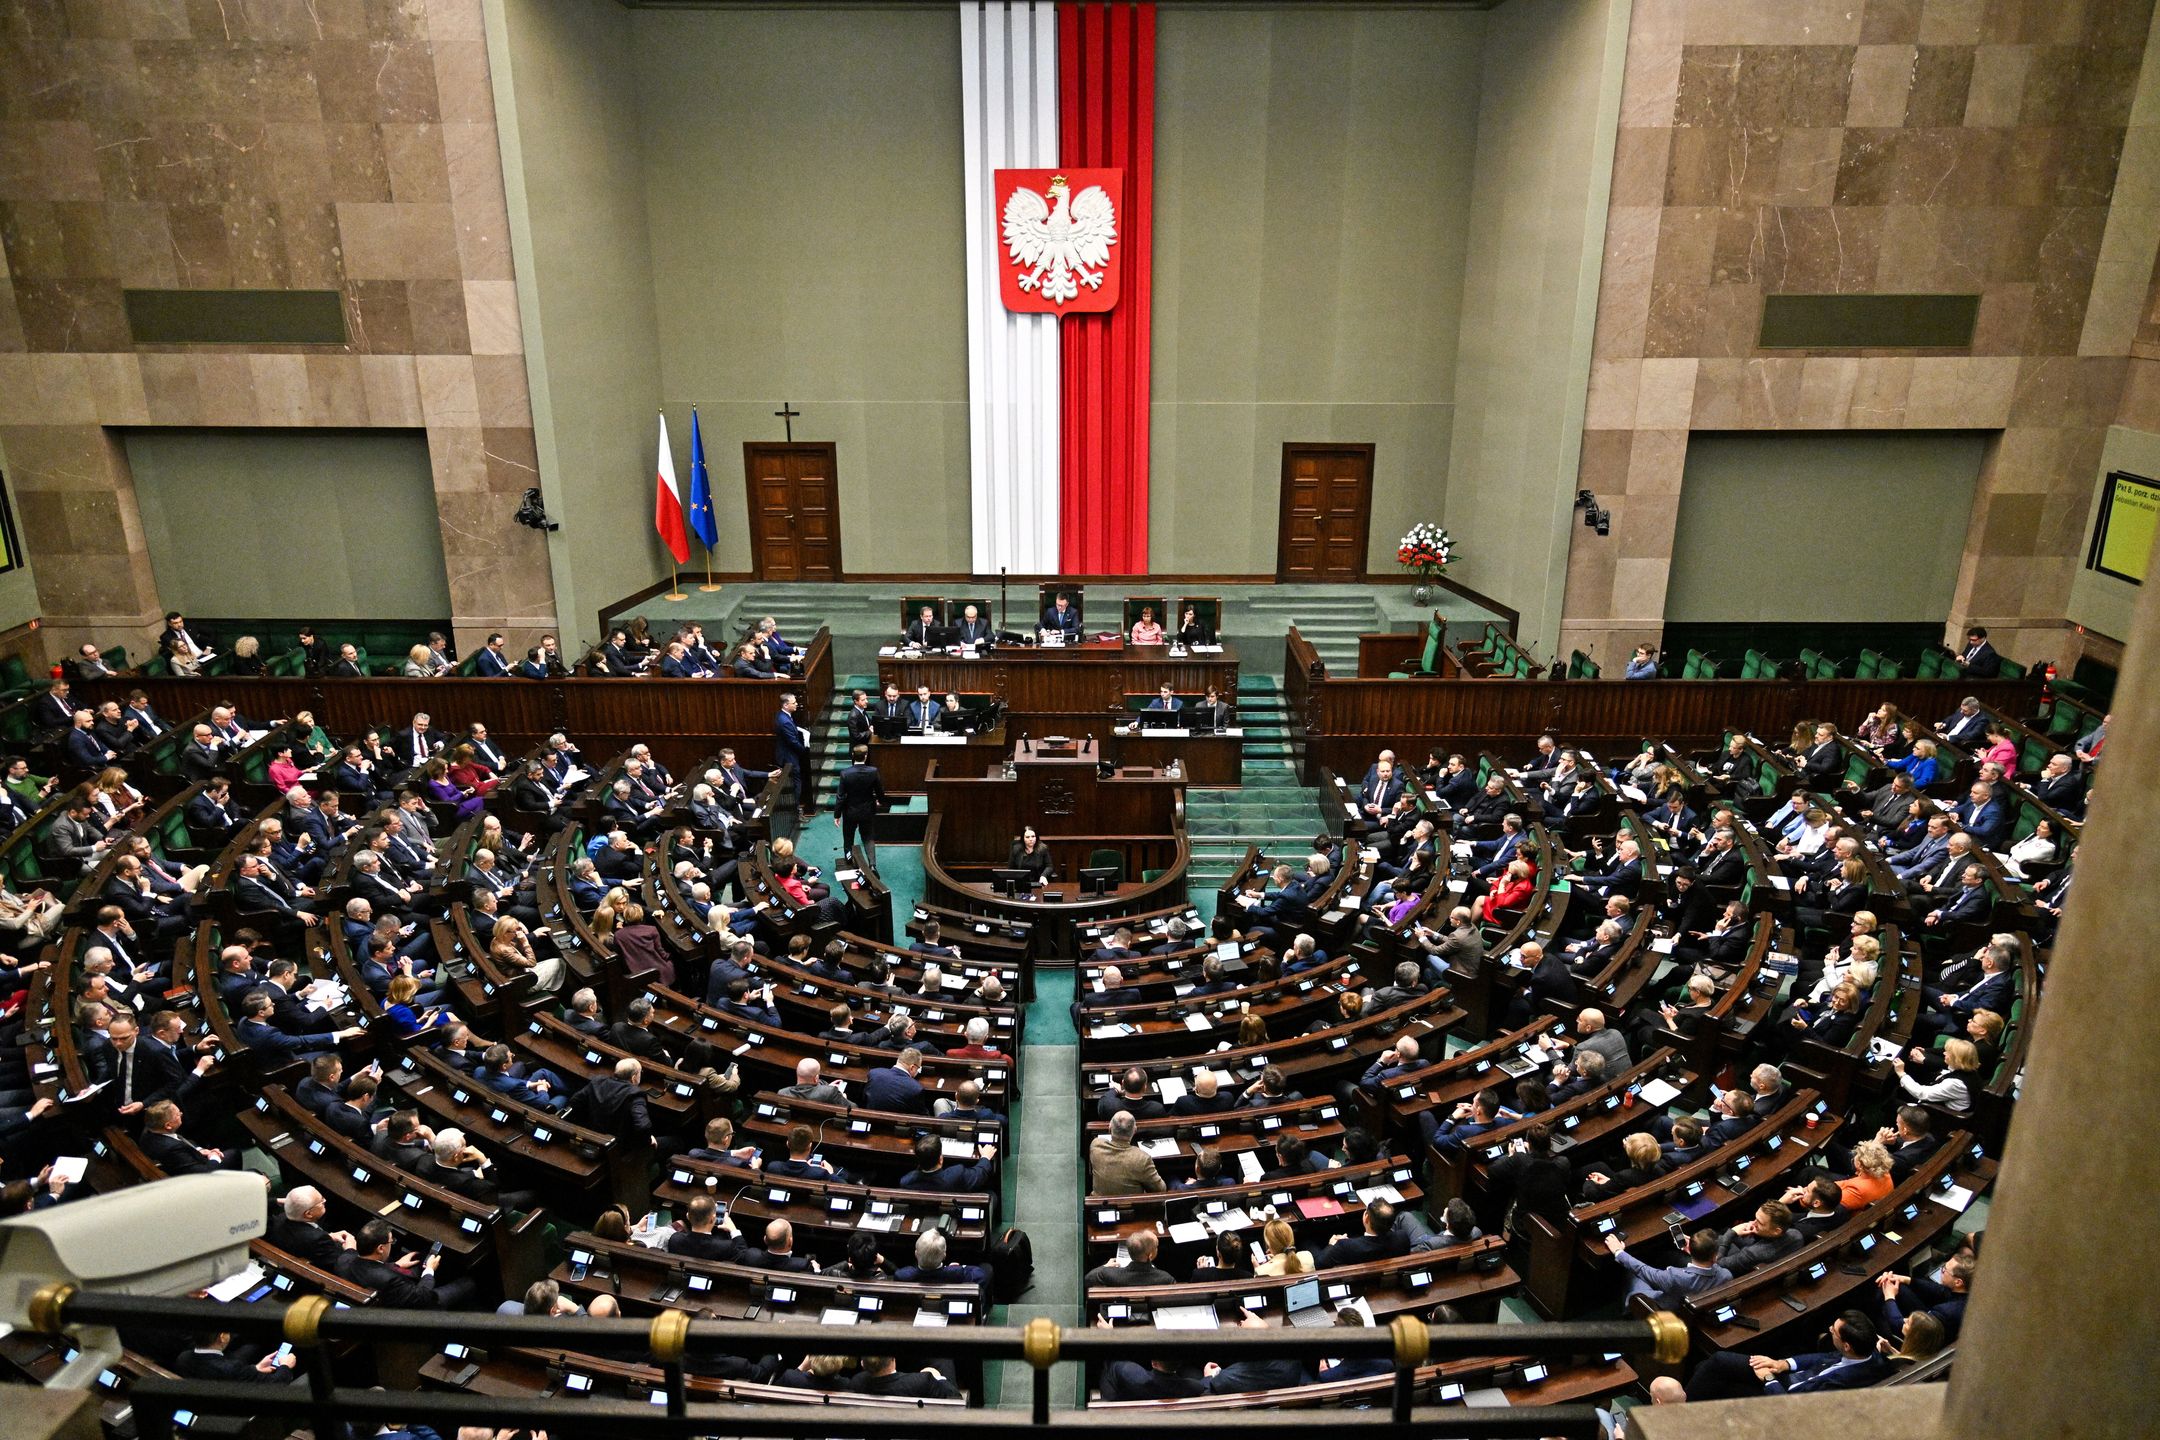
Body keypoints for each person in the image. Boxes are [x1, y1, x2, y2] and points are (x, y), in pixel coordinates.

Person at [1606, 1227, 1731, 1307]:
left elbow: (1642, 1270)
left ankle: (1629, 1311)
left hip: (1666, 1310)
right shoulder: (1726, 1275)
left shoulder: (1675, 1277)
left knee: (1632, 1274)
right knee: (1669, 1256)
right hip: (1694, 1305)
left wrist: (1618, 1251)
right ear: (1715, 1256)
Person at [1088, 1110, 1165, 1193]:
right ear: (1134, 1130)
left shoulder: (1096, 1145)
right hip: (1134, 1205)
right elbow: (1160, 1189)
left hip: (1101, 1205)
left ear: (1109, 1129)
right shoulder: (1142, 1159)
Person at [773, 692, 812, 812]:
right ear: (785, 705)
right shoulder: (784, 721)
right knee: (796, 783)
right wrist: (804, 750)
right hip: (788, 757)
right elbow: (792, 742)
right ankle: (796, 811)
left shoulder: (783, 716)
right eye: (794, 703)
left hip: (789, 754)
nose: (797, 704)